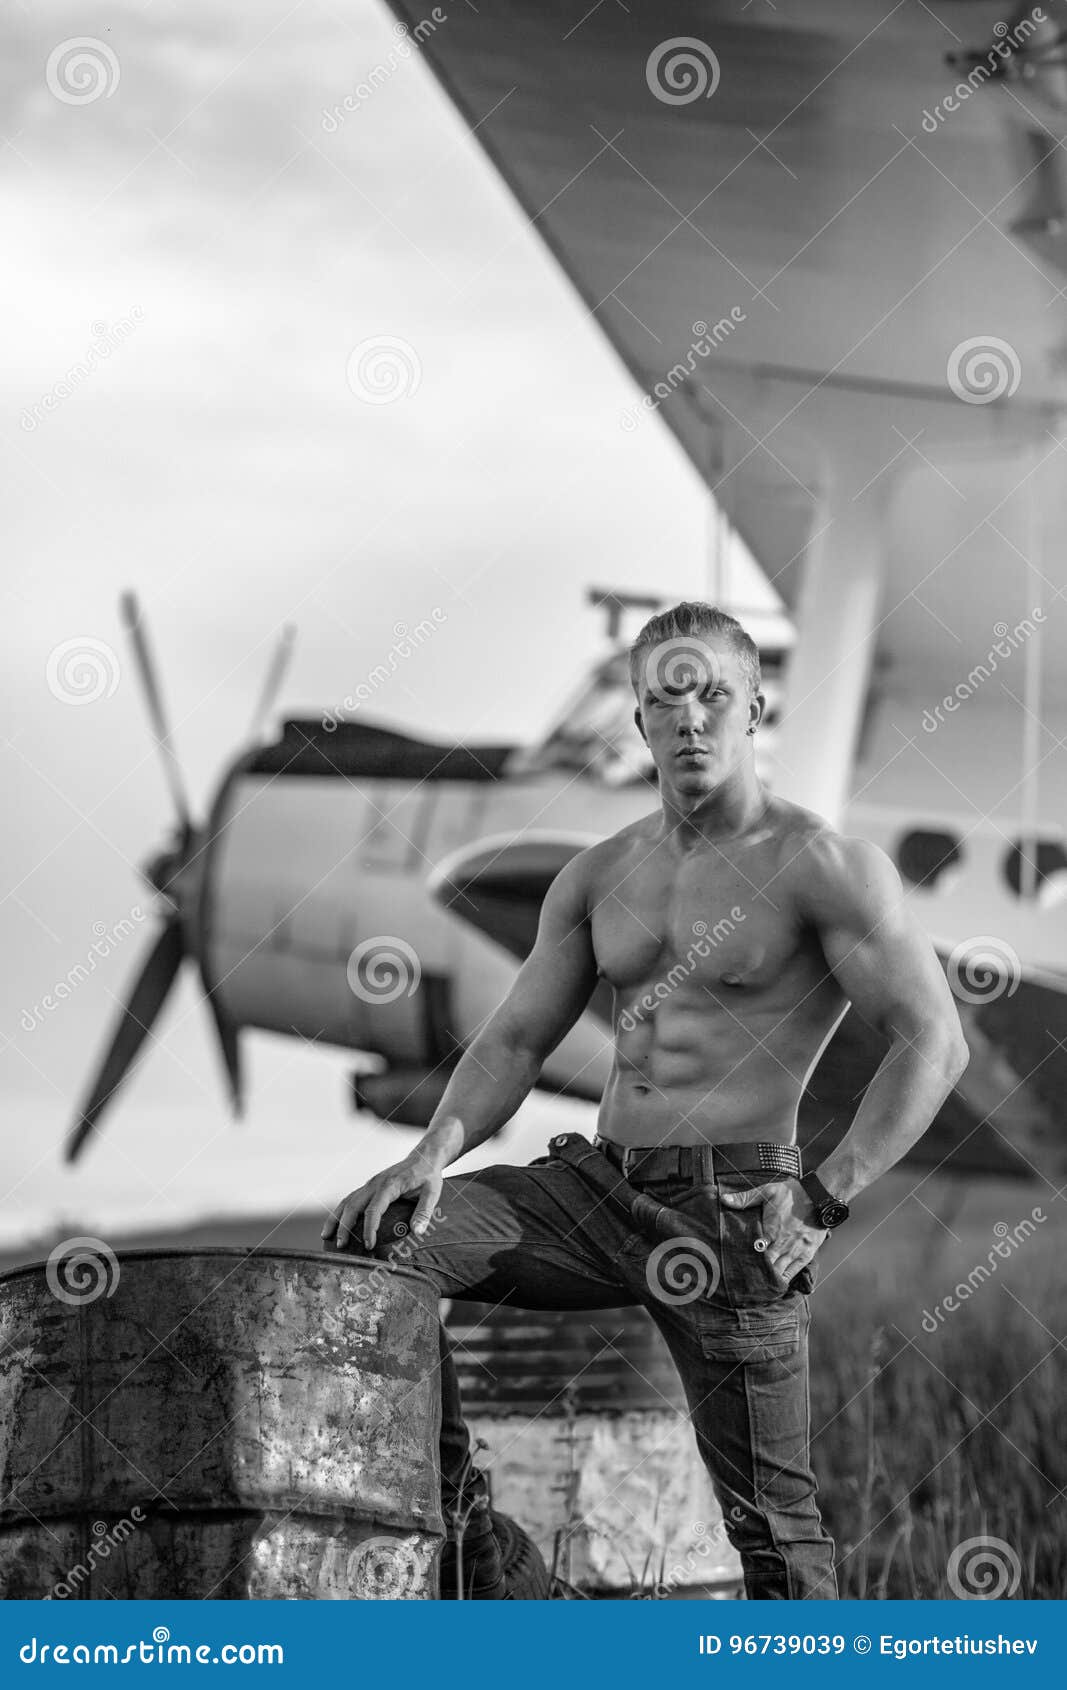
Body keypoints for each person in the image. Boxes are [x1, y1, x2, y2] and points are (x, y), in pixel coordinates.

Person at [322, 601, 970, 1599]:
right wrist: (429, 1155)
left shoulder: (824, 867)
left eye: (712, 693)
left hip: (733, 1213)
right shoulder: (598, 874)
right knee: (379, 1246)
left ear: (756, 707)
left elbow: (935, 1039)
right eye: (666, 699)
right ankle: (491, 1569)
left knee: (772, 1526)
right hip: (594, 1190)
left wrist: (824, 1196)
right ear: (638, 723)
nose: (690, 719)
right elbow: (514, 1038)